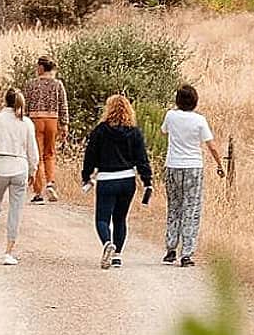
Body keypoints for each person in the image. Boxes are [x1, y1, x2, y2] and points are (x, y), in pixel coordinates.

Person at [81, 95, 153, 270]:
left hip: (106, 179)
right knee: (120, 218)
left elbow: (90, 156)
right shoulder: (134, 132)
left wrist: (86, 176)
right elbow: (142, 159)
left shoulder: (100, 131)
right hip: (127, 180)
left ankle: (107, 243)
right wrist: (147, 180)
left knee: (102, 219)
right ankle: (117, 256)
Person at [161, 84, 224, 268]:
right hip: (193, 167)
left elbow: (163, 131)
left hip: (173, 165)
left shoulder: (170, 116)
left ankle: (171, 248)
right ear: (195, 101)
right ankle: (186, 253)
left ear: (177, 101)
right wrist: (219, 164)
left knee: (174, 207)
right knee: (192, 209)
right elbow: (211, 145)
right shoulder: (199, 120)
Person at [0, 88, 39, 266]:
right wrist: (33, 170)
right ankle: (9, 252)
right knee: (15, 210)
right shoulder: (26, 122)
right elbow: (32, 149)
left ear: (5, 101)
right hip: (20, 166)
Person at [23, 56, 69, 204]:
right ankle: (50, 182)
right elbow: (63, 104)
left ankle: (38, 192)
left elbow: (25, 103)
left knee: (37, 156)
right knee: (50, 154)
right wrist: (64, 123)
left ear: (42, 68)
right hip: (52, 120)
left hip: (35, 120)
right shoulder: (58, 84)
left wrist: (23, 121)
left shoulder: (31, 84)